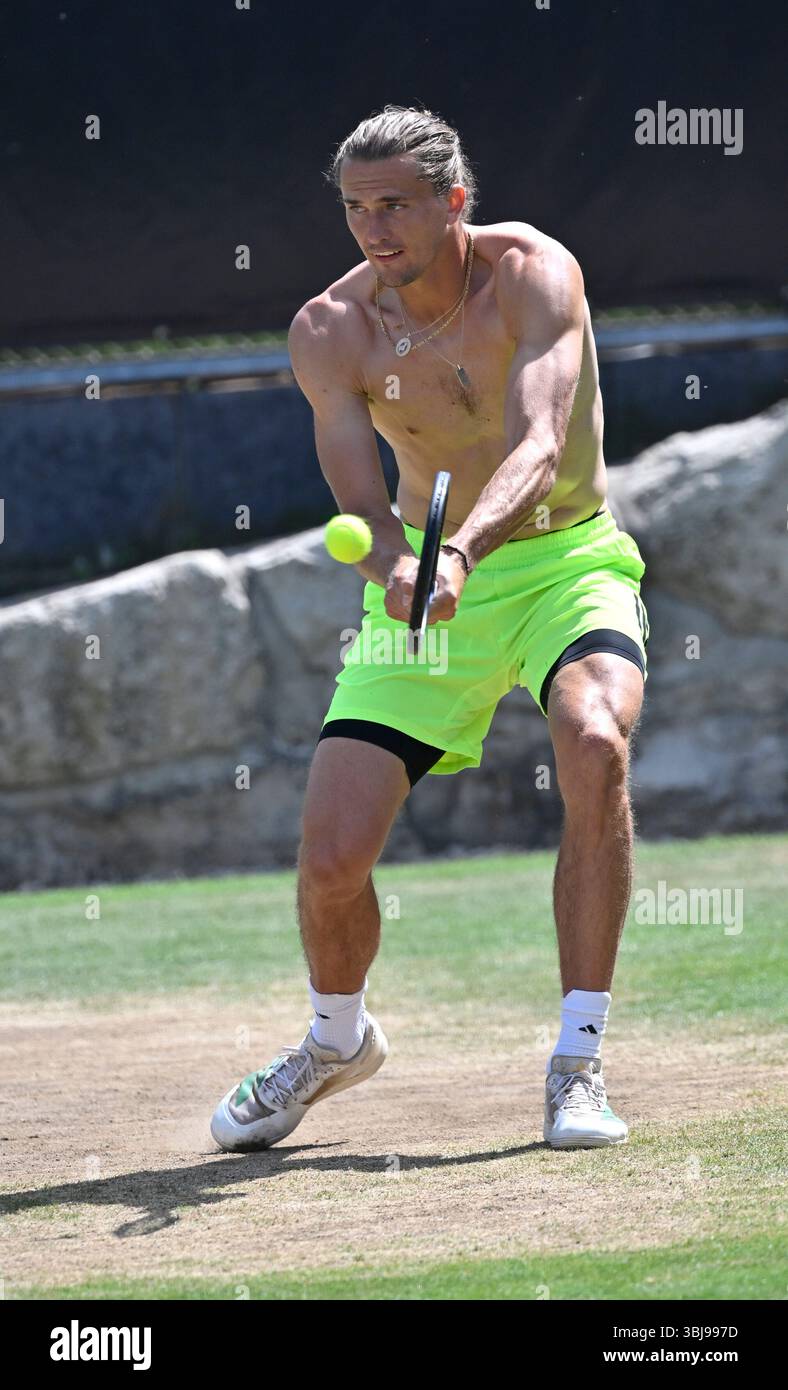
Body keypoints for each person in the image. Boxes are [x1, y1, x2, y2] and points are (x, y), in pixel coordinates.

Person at [211, 105, 649, 1153]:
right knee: (329, 859)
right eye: (356, 208)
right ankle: (334, 1040)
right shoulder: (328, 329)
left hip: (562, 562)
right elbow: (357, 503)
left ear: (454, 200)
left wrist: (459, 553)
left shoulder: (535, 275)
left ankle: (575, 1063)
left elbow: (542, 442)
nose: (373, 229)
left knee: (594, 743)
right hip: (417, 593)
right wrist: (399, 563)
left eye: (395, 205)